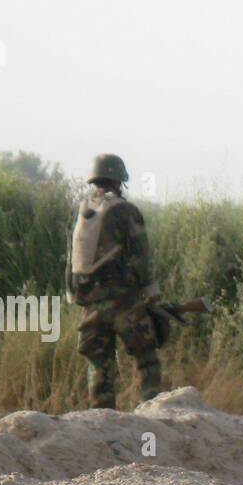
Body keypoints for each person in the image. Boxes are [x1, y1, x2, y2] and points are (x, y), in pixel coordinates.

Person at [65, 153, 162, 409]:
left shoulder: (85, 211)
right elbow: (140, 254)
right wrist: (150, 290)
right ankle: (153, 414)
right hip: (122, 299)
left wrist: (76, 295)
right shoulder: (124, 210)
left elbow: (72, 256)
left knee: (99, 363)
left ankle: (102, 421)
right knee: (146, 357)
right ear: (119, 180)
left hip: (91, 302)